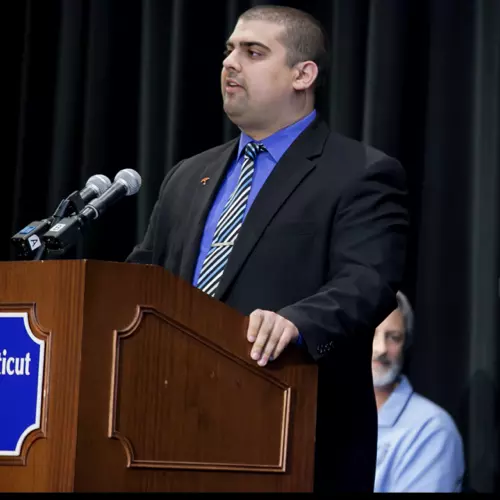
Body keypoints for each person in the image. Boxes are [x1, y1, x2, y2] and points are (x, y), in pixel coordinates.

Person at [127, 5, 408, 492]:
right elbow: (144, 276)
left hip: (290, 435)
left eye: (253, 52)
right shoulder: (189, 175)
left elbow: (367, 281)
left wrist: (297, 321)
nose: (230, 63)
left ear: (303, 74)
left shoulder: (360, 172)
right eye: (229, 50)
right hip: (167, 433)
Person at [373, 291, 465, 492]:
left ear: (406, 343)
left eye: (393, 337)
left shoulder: (432, 429)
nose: (381, 349)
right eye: (371, 334)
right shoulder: (330, 414)